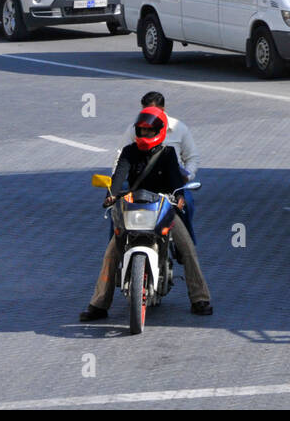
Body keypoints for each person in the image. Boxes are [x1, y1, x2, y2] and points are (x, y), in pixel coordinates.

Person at [80, 108, 212, 320]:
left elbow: (176, 182)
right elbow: (119, 175)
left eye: (149, 132)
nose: (145, 135)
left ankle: (200, 299)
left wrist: (179, 197)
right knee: (111, 252)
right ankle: (99, 304)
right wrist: (112, 195)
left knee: (187, 248)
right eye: (141, 131)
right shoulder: (129, 152)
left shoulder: (168, 154)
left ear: (159, 131)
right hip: (134, 206)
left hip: (163, 208)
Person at [118, 91, 199, 240]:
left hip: (171, 184)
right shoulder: (134, 129)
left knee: (187, 204)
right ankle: (115, 248)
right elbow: (120, 158)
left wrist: (187, 176)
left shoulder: (179, 128)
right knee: (117, 210)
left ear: (163, 109)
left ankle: (187, 246)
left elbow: (192, 158)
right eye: (145, 112)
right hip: (138, 183)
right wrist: (113, 188)